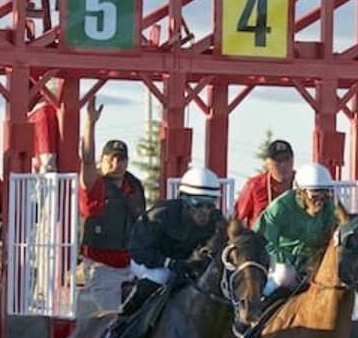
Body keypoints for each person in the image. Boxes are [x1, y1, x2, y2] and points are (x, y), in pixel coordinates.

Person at [121, 165, 223, 317]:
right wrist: (168, 263)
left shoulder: (216, 220)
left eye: (210, 205)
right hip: (148, 261)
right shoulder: (160, 214)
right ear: (184, 200)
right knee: (159, 277)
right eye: (198, 204)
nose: (205, 212)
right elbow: (137, 249)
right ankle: (124, 320)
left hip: (185, 264)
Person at [78, 101, 146, 316]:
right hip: (101, 268)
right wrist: (90, 124)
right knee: (109, 321)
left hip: (133, 267)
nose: (117, 163)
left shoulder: (134, 187)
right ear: (103, 160)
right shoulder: (95, 185)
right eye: (112, 158)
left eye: (122, 159)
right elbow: (87, 160)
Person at [254, 162, 336, 297]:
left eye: (325, 195)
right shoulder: (280, 207)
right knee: (285, 276)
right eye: (315, 196)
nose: (320, 201)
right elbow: (263, 240)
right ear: (300, 192)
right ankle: (261, 302)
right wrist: (290, 259)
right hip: (281, 263)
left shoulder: (329, 208)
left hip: (313, 261)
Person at [235, 138, 294, 229]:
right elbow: (236, 219)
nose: (284, 165)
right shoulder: (254, 185)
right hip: (261, 241)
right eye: (278, 161)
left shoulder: (302, 184)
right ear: (267, 163)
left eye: (287, 159)